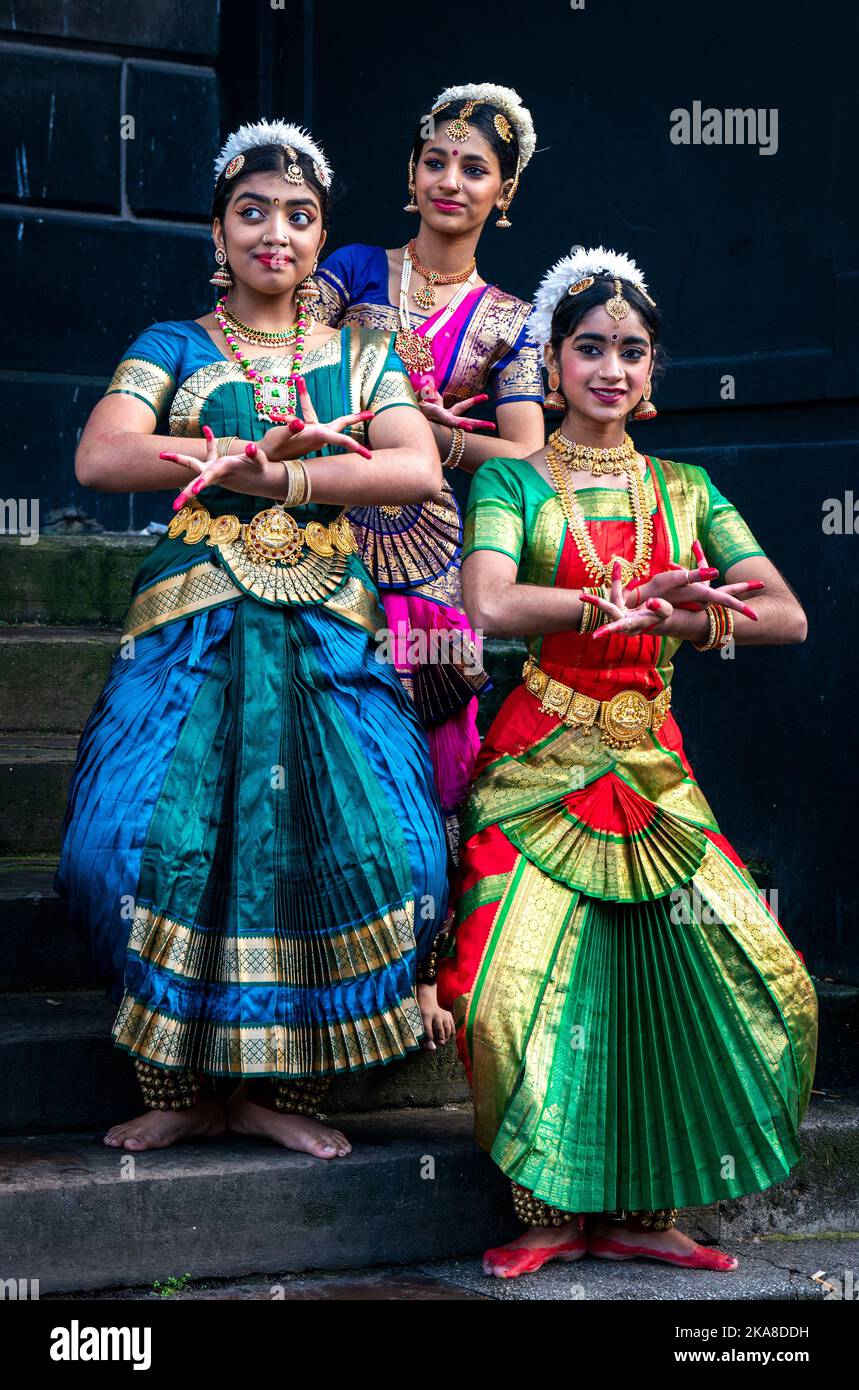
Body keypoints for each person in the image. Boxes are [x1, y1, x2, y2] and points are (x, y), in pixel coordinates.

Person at [54, 119, 454, 1161]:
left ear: (322, 239)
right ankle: (182, 1083)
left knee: (378, 847)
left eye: (300, 216)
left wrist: (284, 478)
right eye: (253, 212)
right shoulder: (171, 344)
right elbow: (103, 454)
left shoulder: (365, 357)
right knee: (137, 845)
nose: (276, 233)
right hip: (193, 630)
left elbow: (414, 469)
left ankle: (279, 1087)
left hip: (326, 630)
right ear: (219, 233)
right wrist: (229, 452)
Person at [436, 245, 818, 1277]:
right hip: (538, 763)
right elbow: (488, 605)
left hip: (652, 769)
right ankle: (549, 1211)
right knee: (508, 992)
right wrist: (613, 608)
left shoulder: (688, 491)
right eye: (590, 347)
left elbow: (782, 614)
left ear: (652, 372)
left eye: (633, 351)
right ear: (553, 361)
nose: (611, 367)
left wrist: (687, 624)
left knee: (743, 973)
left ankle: (647, 1209)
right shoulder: (512, 482)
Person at [313, 83, 545, 864]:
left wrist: (437, 447)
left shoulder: (514, 324)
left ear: (503, 192)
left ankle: (419, 944)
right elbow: (278, 356)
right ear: (410, 174)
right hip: (320, 504)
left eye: (474, 169)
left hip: (429, 538)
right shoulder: (348, 270)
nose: (450, 181)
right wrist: (393, 411)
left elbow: (523, 456)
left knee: (426, 717)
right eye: (435, 162)